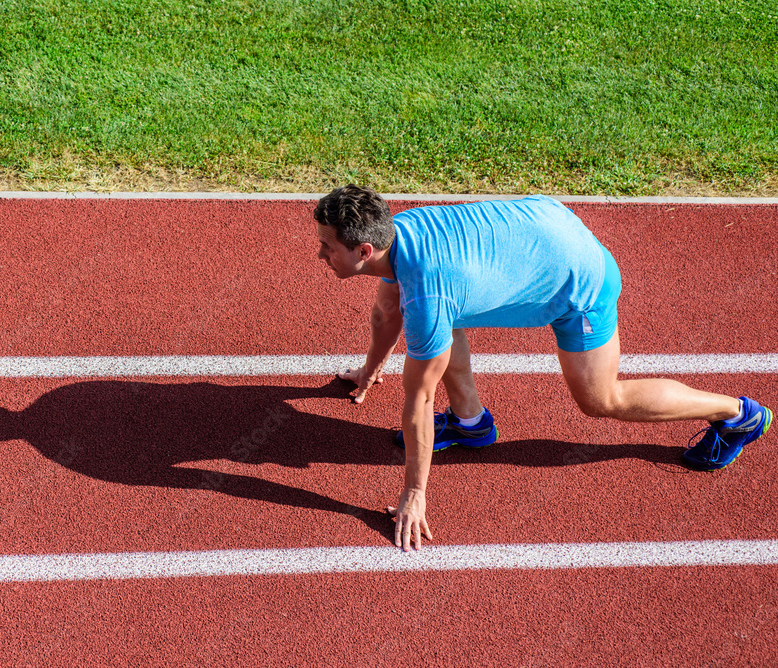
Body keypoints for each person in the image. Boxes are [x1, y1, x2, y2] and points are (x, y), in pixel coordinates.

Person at [313, 184, 772, 552]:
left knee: (600, 399)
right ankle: (471, 423)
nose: (320, 255)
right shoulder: (402, 232)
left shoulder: (430, 293)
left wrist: (415, 492)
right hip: (546, 225)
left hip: (580, 278)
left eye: (326, 247)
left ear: (365, 250)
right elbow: (386, 311)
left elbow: (420, 398)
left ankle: (738, 415)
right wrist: (370, 369)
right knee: (434, 323)